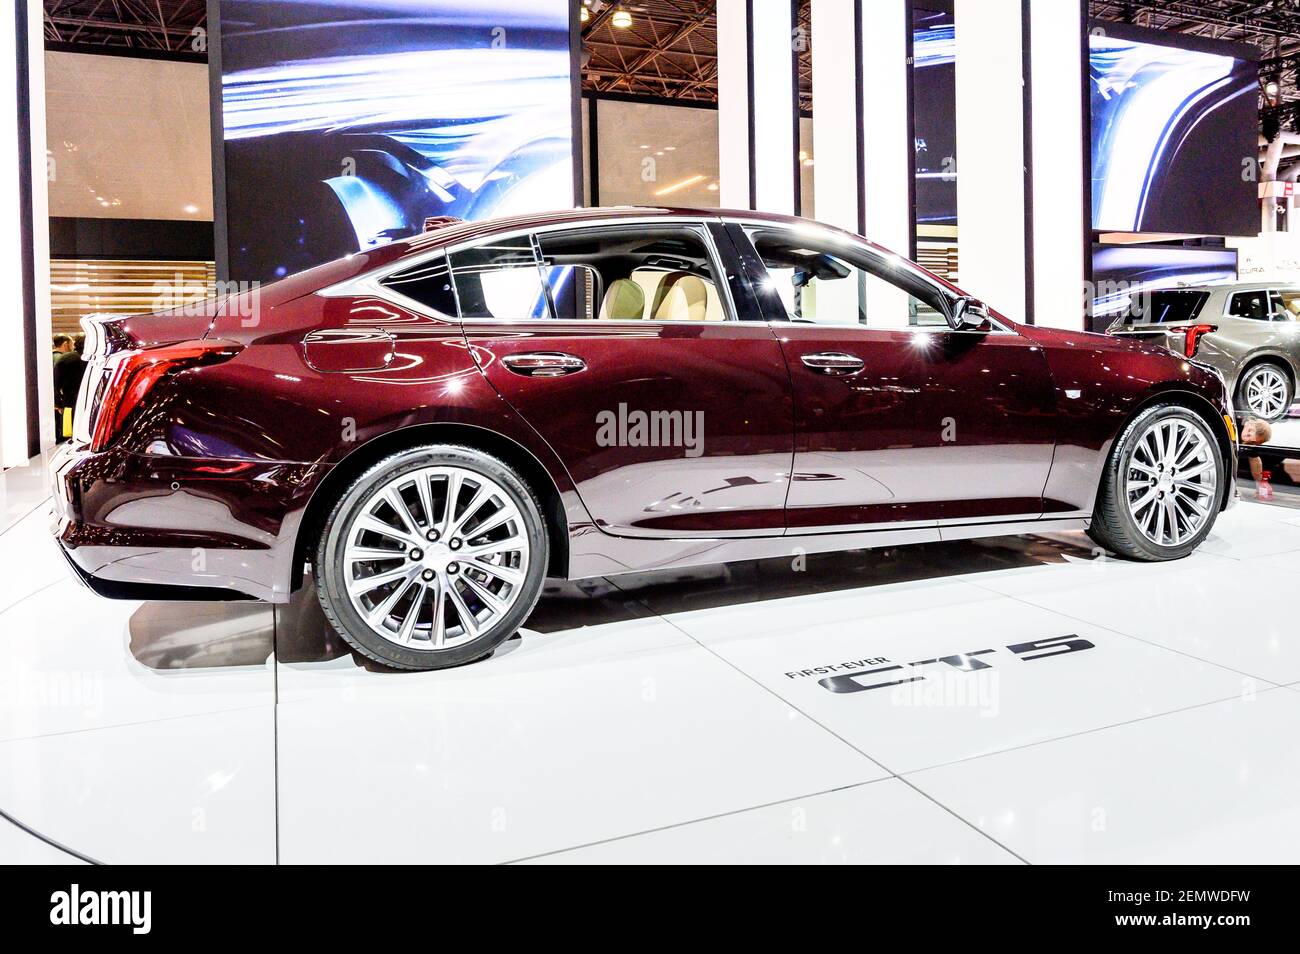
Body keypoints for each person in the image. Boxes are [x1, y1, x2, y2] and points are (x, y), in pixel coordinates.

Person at [53, 334, 86, 442]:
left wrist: (57, 402)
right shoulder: (93, 360)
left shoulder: (65, 358)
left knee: (68, 435)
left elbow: (55, 383)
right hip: (89, 403)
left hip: (69, 403)